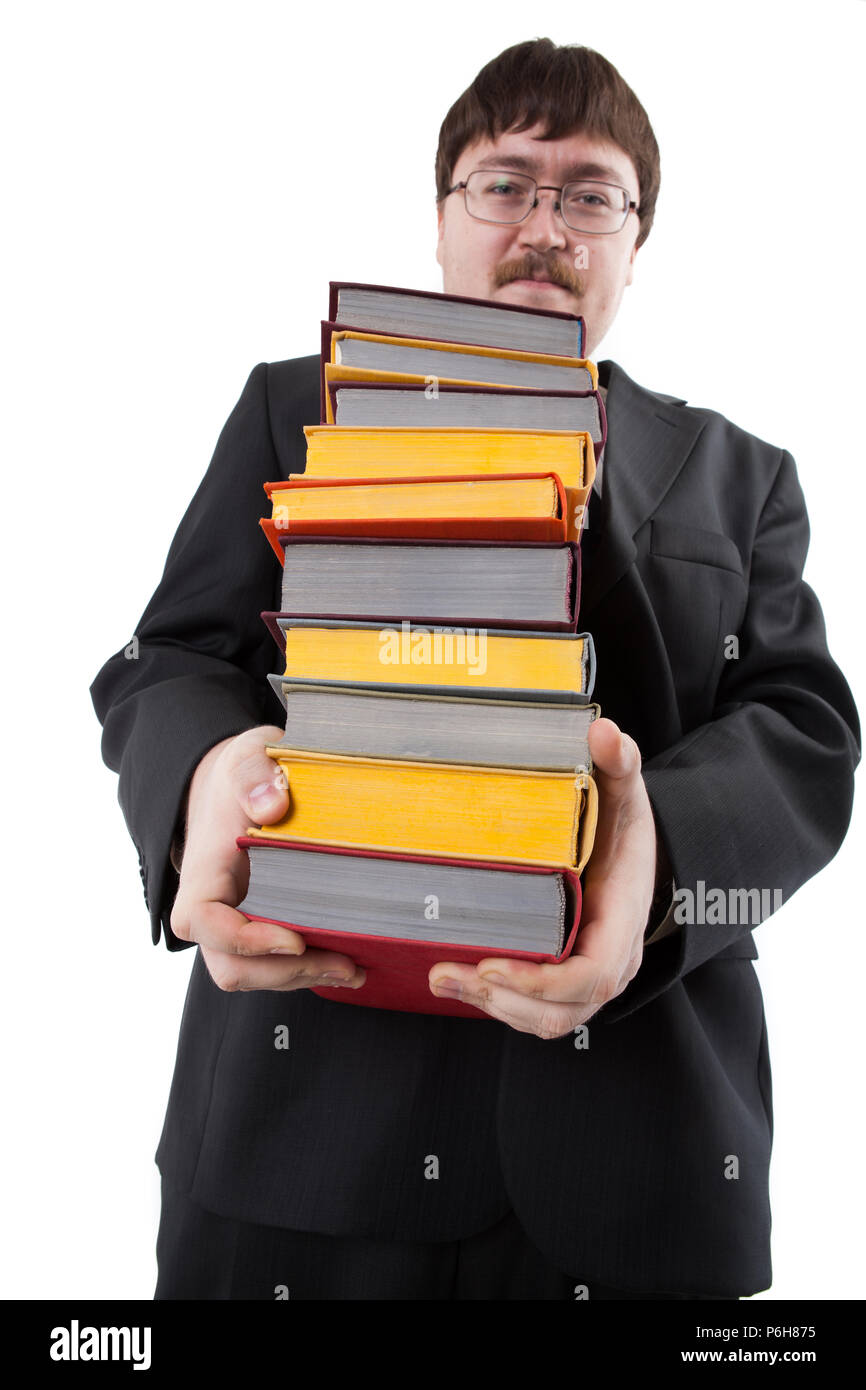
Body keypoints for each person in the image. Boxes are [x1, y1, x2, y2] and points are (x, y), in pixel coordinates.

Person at [90, 38, 859, 1300]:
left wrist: (654, 844)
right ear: (442, 218)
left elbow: (799, 729)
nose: (543, 227)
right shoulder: (295, 410)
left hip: (639, 1162)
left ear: (632, 239)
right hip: (304, 1150)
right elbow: (168, 656)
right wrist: (205, 781)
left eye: (589, 194)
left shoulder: (740, 473)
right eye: (503, 183)